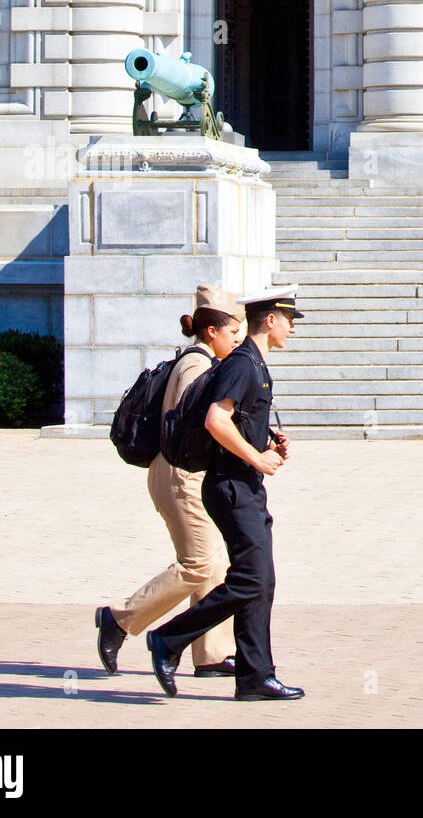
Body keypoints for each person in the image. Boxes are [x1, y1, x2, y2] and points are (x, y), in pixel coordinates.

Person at [146, 284, 302, 701]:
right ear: (270, 321)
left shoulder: (252, 364)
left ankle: (255, 677)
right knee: (250, 579)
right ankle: (168, 639)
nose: (292, 329)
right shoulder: (244, 364)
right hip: (231, 488)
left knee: (261, 581)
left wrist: (265, 446)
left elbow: (235, 423)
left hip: (244, 486)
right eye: (289, 320)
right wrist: (257, 457)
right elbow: (217, 420)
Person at [95, 285, 245, 678]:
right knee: (197, 563)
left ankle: (211, 654)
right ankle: (119, 618)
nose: (238, 340)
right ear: (211, 332)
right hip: (180, 475)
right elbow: (196, 427)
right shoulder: (196, 365)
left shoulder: (197, 360)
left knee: (213, 562)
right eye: (233, 333)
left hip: (182, 473)